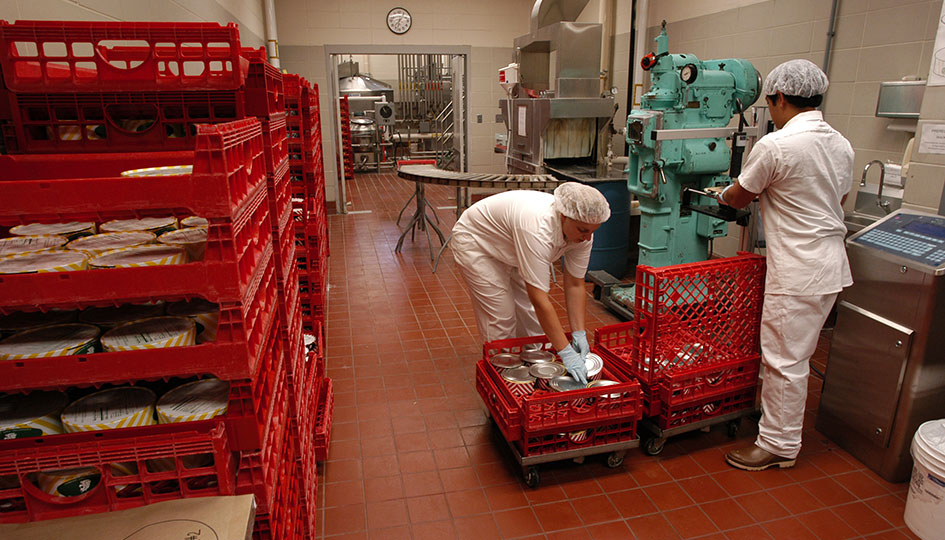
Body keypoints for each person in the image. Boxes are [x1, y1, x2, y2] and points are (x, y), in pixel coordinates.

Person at [713, 59, 854, 471]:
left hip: (798, 271)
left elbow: (739, 196)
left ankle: (778, 445)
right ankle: (777, 421)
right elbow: (837, 200)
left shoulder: (777, 145)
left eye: (770, 102)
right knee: (794, 354)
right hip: (829, 265)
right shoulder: (841, 144)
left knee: (785, 360)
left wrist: (721, 193)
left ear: (778, 98)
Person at [451, 182, 611, 383]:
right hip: (477, 242)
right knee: (502, 315)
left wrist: (579, 332)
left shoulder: (582, 230)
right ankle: (502, 379)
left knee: (531, 317)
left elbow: (575, 284)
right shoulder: (537, 229)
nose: (587, 238)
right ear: (563, 217)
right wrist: (565, 351)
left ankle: (537, 373)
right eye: (583, 230)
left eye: (592, 231)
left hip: (512, 244)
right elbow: (539, 298)